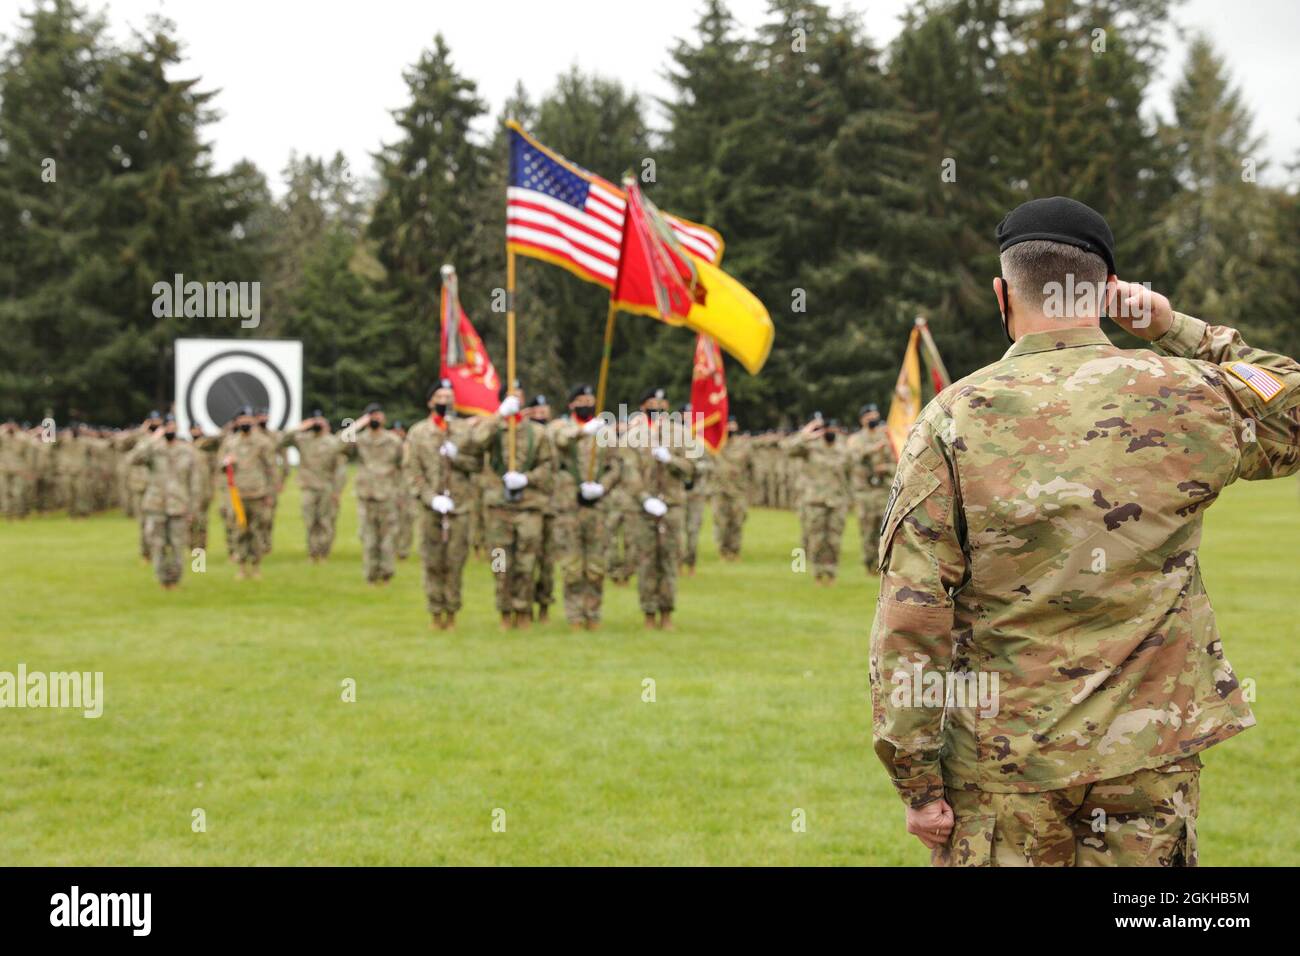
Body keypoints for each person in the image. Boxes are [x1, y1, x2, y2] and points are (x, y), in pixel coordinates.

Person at [871, 196, 1300, 868]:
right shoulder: (1184, 392)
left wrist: (917, 782)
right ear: (1107, 294)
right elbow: (1291, 406)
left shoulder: (953, 417)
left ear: (1000, 293)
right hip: (1147, 754)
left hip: (1003, 767)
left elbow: (913, 614)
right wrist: (1173, 326)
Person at [404, 380, 485, 630]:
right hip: (431, 508)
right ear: (430, 402)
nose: (445, 400)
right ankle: (435, 612)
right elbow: (412, 471)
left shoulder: (464, 431)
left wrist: (457, 457)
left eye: (449, 396)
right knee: (432, 561)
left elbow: (478, 464)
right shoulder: (418, 432)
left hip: (460, 505)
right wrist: (431, 497)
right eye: (439, 396)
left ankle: (452, 612)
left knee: (455, 561)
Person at [473, 382, 554, 629]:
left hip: (529, 506)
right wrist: (499, 416)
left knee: (527, 561)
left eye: (519, 396)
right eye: (510, 397)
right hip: (499, 507)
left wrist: (527, 478)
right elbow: (475, 442)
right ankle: (504, 610)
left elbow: (548, 467)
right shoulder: (492, 428)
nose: (516, 401)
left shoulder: (537, 434)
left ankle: (523, 609)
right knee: (500, 561)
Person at [548, 383, 621, 630]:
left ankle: (594, 613)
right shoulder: (560, 427)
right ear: (571, 404)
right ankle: (575, 616)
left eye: (590, 399)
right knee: (572, 565)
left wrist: (603, 486)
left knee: (596, 565)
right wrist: (583, 432)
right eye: (580, 400)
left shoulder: (605, 433)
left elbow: (616, 466)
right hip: (568, 508)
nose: (586, 403)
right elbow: (559, 441)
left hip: (597, 508)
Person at [627, 387, 695, 630]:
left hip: (672, 504)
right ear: (643, 406)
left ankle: (666, 612)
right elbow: (629, 470)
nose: (658, 407)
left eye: (662, 402)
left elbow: (691, 468)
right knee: (646, 562)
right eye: (653, 403)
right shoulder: (633, 434)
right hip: (643, 507)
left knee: (668, 560)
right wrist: (644, 498)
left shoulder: (679, 433)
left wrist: (671, 460)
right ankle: (648, 612)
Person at [127, 414, 202, 589]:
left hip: (178, 505)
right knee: (158, 544)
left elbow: (194, 482)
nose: (169, 430)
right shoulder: (153, 449)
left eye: (172, 426)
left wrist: (193, 508)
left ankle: (175, 579)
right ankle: (162, 578)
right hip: (156, 504)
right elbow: (132, 459)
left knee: (177, 544)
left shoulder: (187, 451)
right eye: (166, 426)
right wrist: (152, 439)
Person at [784, 414, 851, 584]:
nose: (831, 432)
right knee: (816, 539)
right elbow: (787, 449)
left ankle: (831, 572)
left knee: (834, 539)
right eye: (827, 429)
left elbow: (852, 472)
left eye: (833, 429)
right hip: (814, 500)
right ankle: (818, 572)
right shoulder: (810, 448)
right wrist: (804, 435)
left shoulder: (845, 449)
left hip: (837, 500)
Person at [279, 411, 347, 562]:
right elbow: (282, 440)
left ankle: (323, 552)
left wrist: (337, 490)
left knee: (325, 521)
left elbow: (340, 469)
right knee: (310, 521)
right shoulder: (303, 439)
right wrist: (302, 426)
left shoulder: (332, 442)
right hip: (308, 486)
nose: (317, 424)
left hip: (326, 486)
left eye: (320, 421)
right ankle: (312, 552)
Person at [218, 405, 277, 580]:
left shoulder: (263, 442)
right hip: (237, 494)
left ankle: (256, 566)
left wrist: (270, 493)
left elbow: (271, 468)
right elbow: (219, 465)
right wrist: (226, 463)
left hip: (258, 492)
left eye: (248, 419)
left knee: (257, 530)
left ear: (253, 421)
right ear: (237, 422)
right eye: (241, 419)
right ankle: (242, 566)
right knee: (240, 531)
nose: (245, 422)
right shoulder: (230, 442)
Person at [348, 403, 404, 585]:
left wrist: (402, 493)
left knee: (388, 538)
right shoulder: (360, 439)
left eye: (378, 415)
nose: (375, 418)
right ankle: (371, 575)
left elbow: (404, 465)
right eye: (371, 415)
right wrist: (357, 424)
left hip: (387, 494)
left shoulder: (393, 441)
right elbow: (338, 443)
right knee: (369, 538)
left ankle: (386, 573)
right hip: (366, 495)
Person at [846, 403, 892, 574]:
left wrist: (885, 468)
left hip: (883, 490)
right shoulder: (856, 440)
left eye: (875, 416)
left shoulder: (887, 438)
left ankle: (883, 564)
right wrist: (874, 449)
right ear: (862, 420)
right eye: (869, 417)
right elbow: (855, 457)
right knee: (867, 529)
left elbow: (897, 463)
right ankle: (869, 563)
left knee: (885, 529)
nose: (873, 419)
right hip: (864, 492)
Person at [527, 393, 558, 620]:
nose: (540, 414)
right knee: (505, 561)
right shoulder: (508, 433)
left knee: (546, 561)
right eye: (535, 411)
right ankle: (511, 605)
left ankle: (544, 604)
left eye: (544, 410)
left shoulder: (554, 433)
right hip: (507, 508)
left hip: (549, 506)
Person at [710, 416, 752, 560]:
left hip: (738, 490)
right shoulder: (714, 444)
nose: (730, 427)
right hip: (719, 490)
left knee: (737, 521)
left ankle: (735, 551)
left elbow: (752, 467)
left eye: (732, 425)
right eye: (727, 425)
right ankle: (723, 550)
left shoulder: (744, 445)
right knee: (721, 522)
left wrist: (751, 488)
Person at [680, 404, 711, 576]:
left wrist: (695, 468)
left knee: (693, 529)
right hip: (677, 492)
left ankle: (690, 563)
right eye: (685, 415)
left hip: (696, 492)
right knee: (677, 529)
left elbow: (708, 464)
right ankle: (676, 562)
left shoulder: (701, 441)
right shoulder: (672, 439)